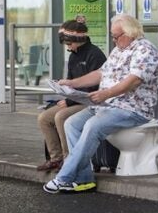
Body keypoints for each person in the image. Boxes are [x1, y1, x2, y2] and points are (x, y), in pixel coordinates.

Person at [43, 13, 158, 194]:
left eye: (116, 36)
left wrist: (106, 94)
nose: (113, 41)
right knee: (71, 124)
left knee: (92, 126)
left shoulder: (145, 50)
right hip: (108, 106)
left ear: (129, 33)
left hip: (132, 109)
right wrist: (72, 83)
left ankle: (64, 177)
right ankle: (83, 180)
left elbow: (133, 81)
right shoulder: (119, 50)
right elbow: (100, 74)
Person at [36, 19, 106, 172]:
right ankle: (56, 158)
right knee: (44, 118)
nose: (68, 48)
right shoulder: (73, 55)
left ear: (78, 40)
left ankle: (69, 159)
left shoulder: (95, 54)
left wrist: (68, 102)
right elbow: (70, 82)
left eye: (69, 44)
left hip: (91, 101)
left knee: (61, 117)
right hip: (75, 99)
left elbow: (95, 87)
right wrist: (64, 93)